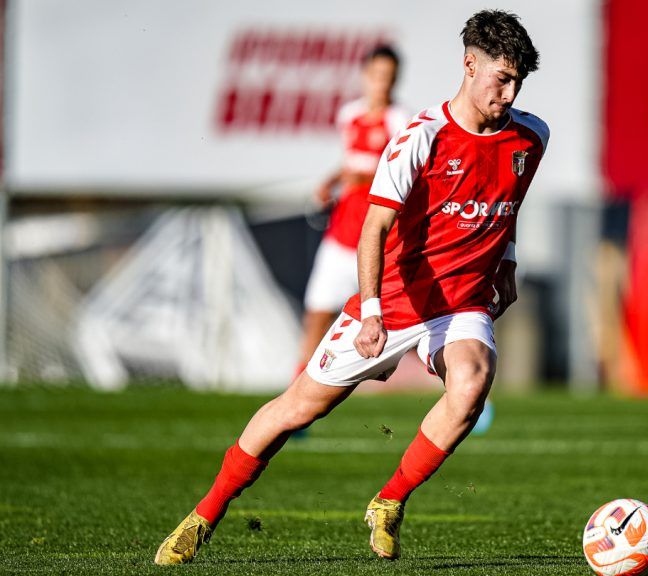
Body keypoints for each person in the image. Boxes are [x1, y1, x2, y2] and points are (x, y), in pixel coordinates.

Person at [154, 9, 547, 565]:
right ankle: (204, 513)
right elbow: (374, 230)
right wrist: (370, 312)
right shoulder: (421, 138)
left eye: (517, 83)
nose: (508, 94)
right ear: (469, 64)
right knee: (297, 409)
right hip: (395, 299)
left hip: (460, 302)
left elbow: (507, 207)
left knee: (473, 381)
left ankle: (388, 501)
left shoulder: (532, 136)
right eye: (500, 79)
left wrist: (505, 262)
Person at [298, 45, 409, 372]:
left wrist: (361, 177)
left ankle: (460, 389)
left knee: (403, 325)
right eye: (377, 76)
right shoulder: (349, 116)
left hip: (380, 240)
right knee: (317, 314)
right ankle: (294, 402)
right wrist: (331, 180)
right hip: (342, 233)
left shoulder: (401, 120)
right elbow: (350, 164)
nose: (382, 84)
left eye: (388, 77)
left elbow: (404, 174)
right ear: (365, 76)